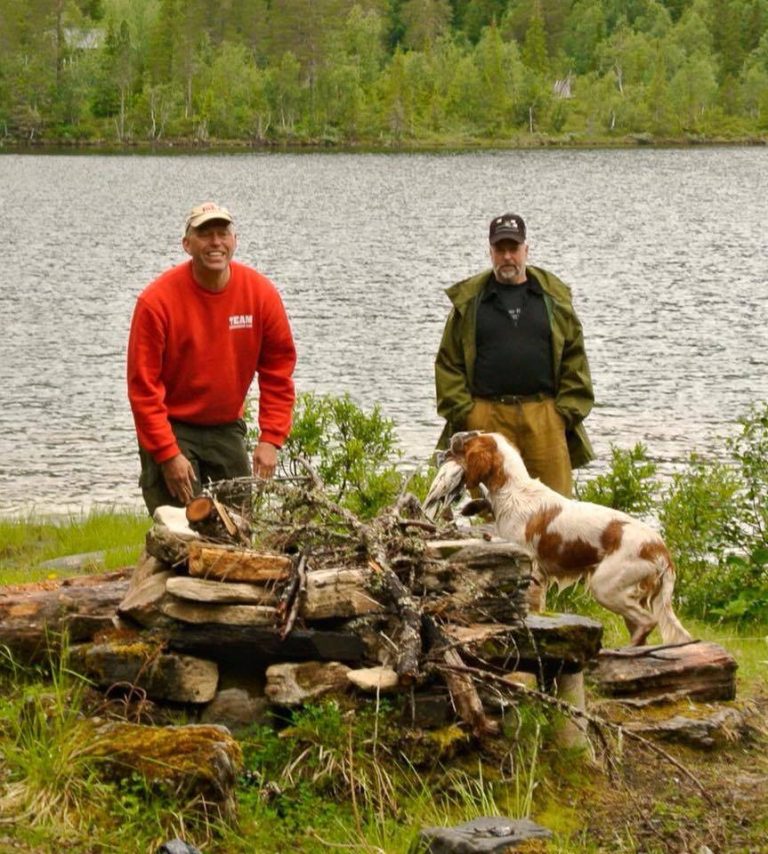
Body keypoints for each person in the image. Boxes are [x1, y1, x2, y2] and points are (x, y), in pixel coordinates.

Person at [127, 202, 297, 515]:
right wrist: (167, 453)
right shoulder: (156, 302)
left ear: (235, 240)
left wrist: (271, 438)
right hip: (171, 424)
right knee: (180, 527)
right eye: (205, 235)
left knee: (238, 525)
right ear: (187, 244)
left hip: (225, 426)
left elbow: (277, 373)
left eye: (222, 233)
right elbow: (143, 388)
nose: (215, 242)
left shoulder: (261, 295)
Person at [435, 212, 594, 496]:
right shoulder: (470, 304)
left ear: (526, 250)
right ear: (490, 252)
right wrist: (467, 414)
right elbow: (449, 364)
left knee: (555, 508)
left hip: (544, 417)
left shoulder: (554, 300)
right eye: (500, 249)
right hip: (486, 417)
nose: (507, 257)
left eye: (514, 249)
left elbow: (575, 360)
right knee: (491, 508)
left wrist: (563, 414)